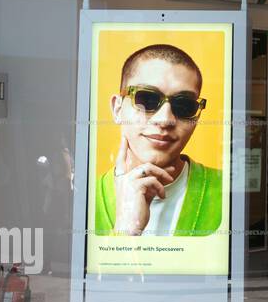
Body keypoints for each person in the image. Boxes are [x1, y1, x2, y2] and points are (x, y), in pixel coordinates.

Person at [94, 43, 222, 236]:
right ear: (118, 109)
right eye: (147, 100)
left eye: (184, 105)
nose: (165, 119)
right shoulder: (83, 198)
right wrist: (125, 231)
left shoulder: (228, 192)